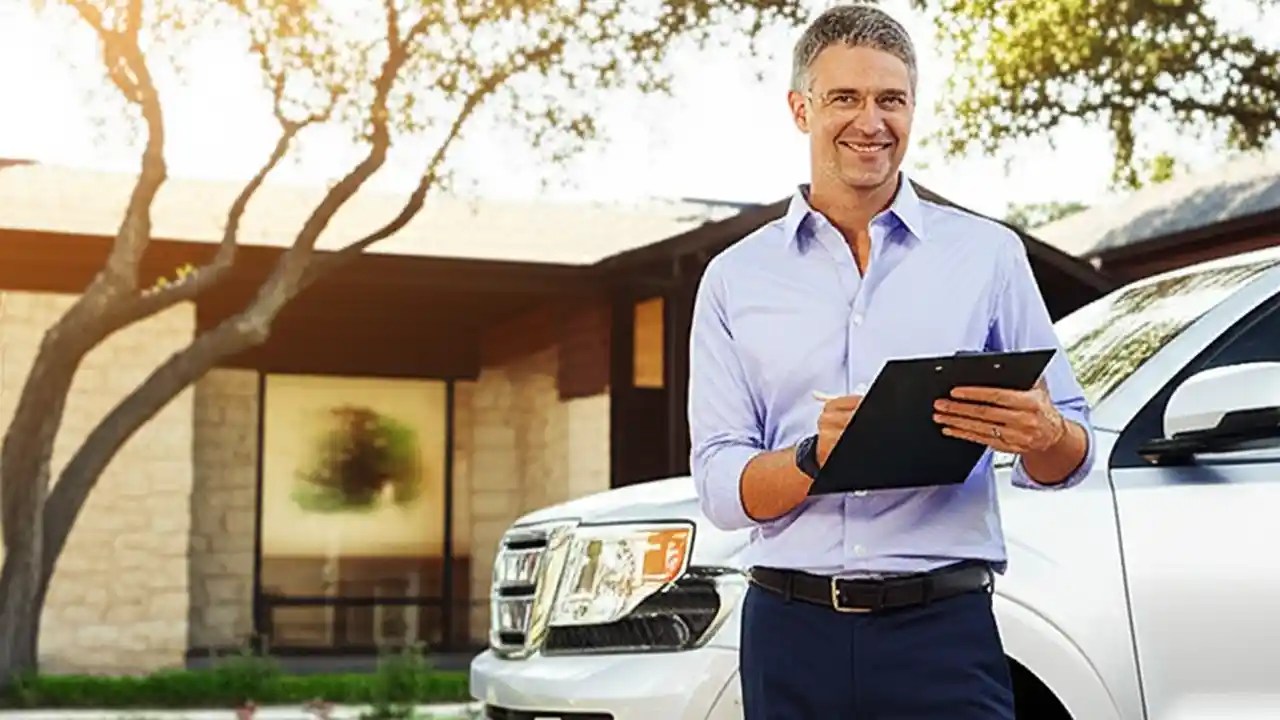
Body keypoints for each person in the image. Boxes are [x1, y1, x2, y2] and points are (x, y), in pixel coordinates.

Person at [686, 4, 1096, 718]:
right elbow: (721, 485)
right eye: (844, 98)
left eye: (891, 100)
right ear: (799, 108)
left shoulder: (988, 256)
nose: (870, 122)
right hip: (790, 635)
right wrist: (817, 457)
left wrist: (1047, 435)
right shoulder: (733, 278)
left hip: (941, 633)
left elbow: (1070, 452)